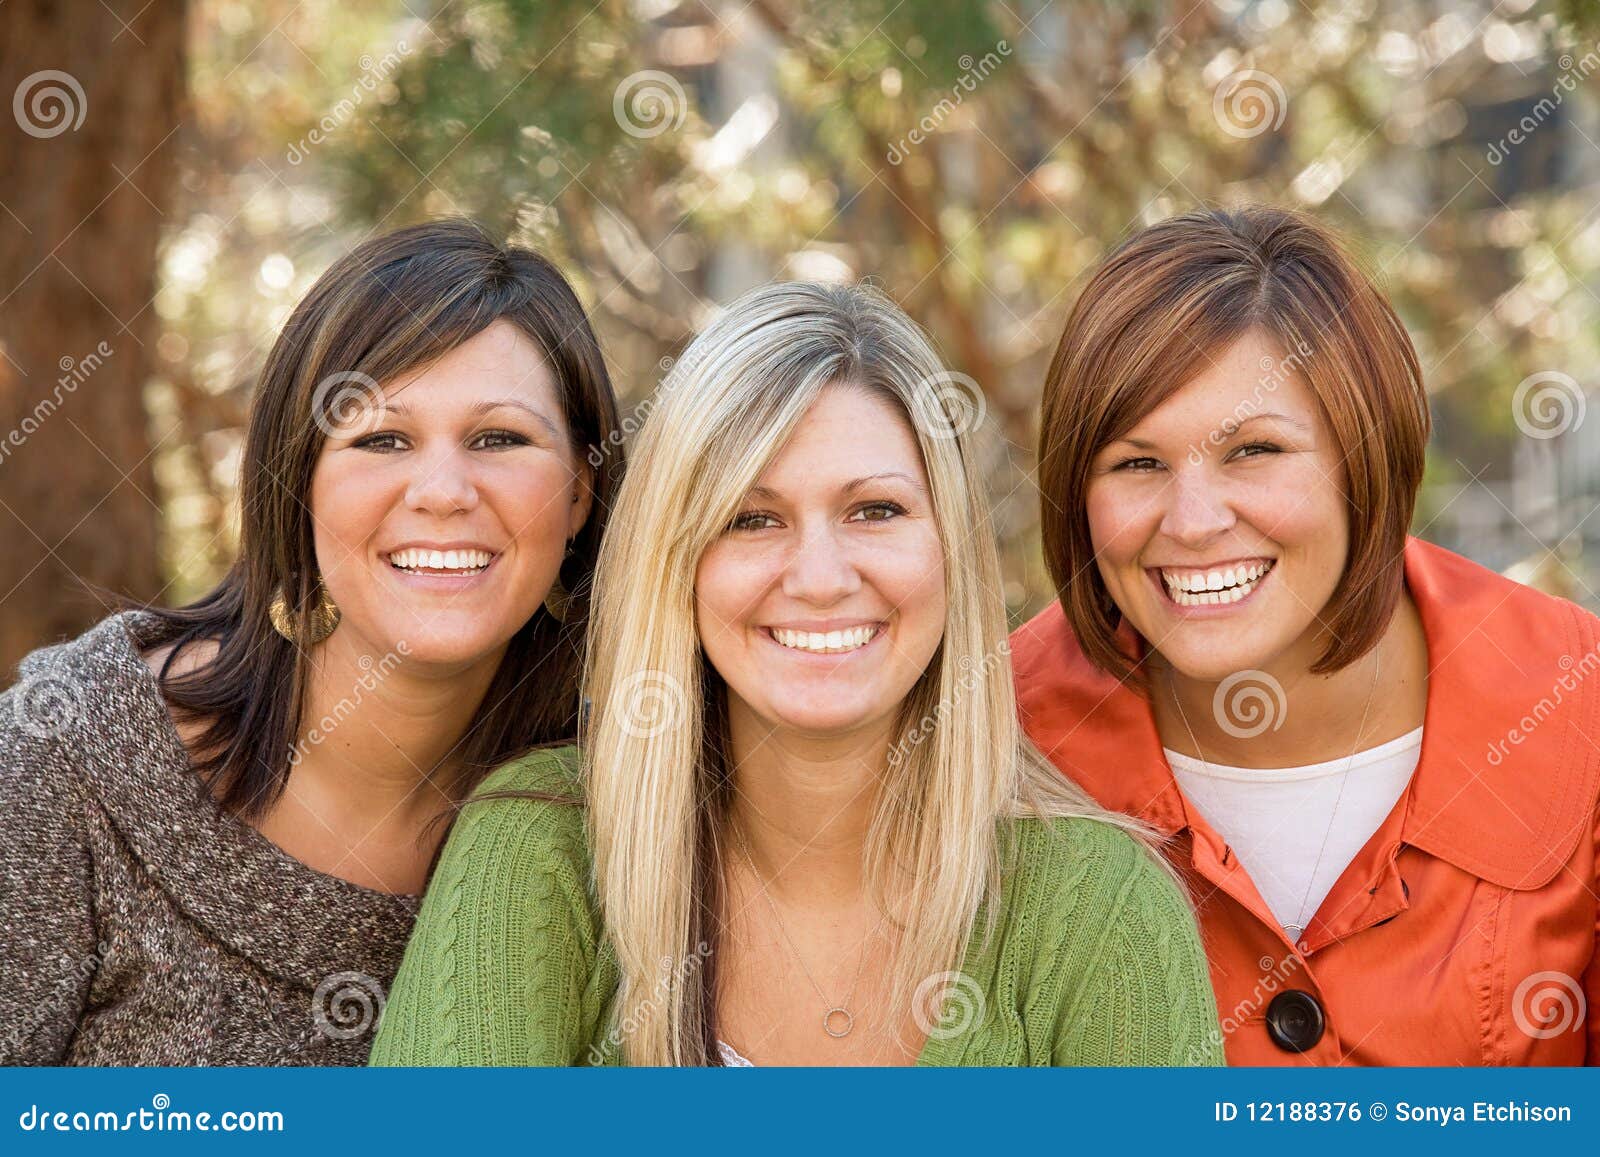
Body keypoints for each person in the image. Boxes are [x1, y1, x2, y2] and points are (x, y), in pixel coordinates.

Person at [370, 281, 1223, 1066]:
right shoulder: (536, 853)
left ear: (950, 547)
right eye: (752, 518)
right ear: (681, 562)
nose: (819, 577)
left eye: (875, 510)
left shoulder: (1103, 912)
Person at [0, 219, 621, 1064]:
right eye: (381, 439)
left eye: (499, 439)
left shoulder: (612, 821)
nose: (442, 490)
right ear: (298, 485)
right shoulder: (66, 755)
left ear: (582, 489)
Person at [1012, 204, 1600, 1064]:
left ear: (1362, 456)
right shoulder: (991, 743)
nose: (1195, 520)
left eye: (1253, 450)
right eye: (1137, 463)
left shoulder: (1576, 708)